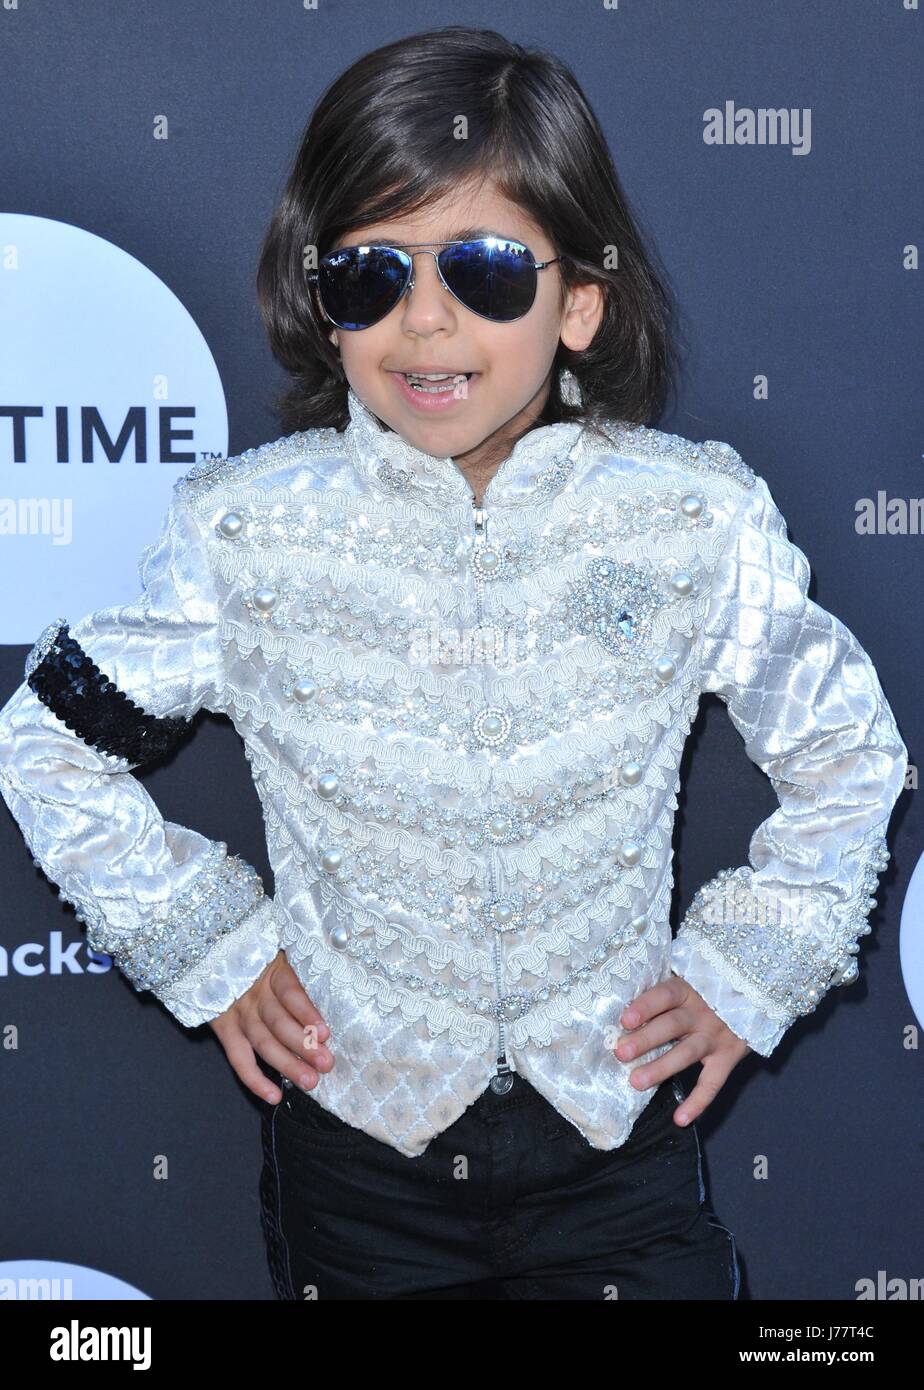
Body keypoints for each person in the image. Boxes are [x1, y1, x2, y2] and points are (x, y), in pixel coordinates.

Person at [0, 26, 907, 1300]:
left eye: (481, 268)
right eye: (370, 272)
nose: (424, 320)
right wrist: (207, 942)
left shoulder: (691, 518)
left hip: (621, 1152)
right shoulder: (251, 531)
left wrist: (748, 966)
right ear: (323, 298)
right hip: (357, 1171)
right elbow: (44, 735)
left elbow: (851, 752)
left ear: (579, 299)